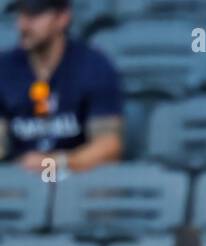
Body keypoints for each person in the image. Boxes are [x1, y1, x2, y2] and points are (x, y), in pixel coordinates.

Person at [0, 0, 122, 174]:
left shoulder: (93, 65)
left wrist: (55, 162)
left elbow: (109, 146)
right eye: (20, 15)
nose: (22, 25)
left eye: (33, 15)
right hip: (20, 183)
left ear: (62, 17)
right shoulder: (5, 68)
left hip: (78, 181)